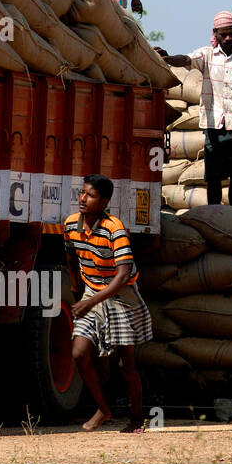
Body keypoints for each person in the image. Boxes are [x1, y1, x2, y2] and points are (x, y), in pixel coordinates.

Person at [64, 174, 153, 433]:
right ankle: (103, 409)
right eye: (82, 193)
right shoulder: (71, 225)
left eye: (90, 195)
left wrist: (90, 300)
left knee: (126, 363)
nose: (82, 198)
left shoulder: (114, 229)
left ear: (104, 202)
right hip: (92, 293)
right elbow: (70, 256)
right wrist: (76, 289)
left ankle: (136, 418)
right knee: (79, 353)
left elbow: (123, 274)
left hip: (121, 297)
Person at [155, 12, 232, 207]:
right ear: (216, 34)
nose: (228, 38)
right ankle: (214, 214)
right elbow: (186, 59)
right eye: (224, 35)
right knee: (213, 176)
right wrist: (169, 58)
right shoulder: (207, 55)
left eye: (231, 34)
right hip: (214, 126)